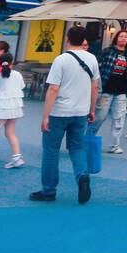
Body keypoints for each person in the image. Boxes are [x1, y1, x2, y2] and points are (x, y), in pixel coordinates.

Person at [30, 25, 99, 204]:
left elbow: (53, 89)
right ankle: (82, 176)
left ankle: (49, 190)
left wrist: (45, 116)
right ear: (84, 40)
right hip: (81, 112)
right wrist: (92, 109)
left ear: (68, 38)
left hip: (59, 112)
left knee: (51, 150)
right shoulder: (92, 59)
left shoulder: (61, 60)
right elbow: (95, 87)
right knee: (77, 148)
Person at [93, 29, 127, 154]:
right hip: (106, 89)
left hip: (121, 91)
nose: (123, 39)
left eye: (126, 37)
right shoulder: (107, 51)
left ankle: (115, 145)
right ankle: (88, 138)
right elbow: (98, 68)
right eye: (121, 36)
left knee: (119, 118)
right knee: (100, 116)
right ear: (116, 38)